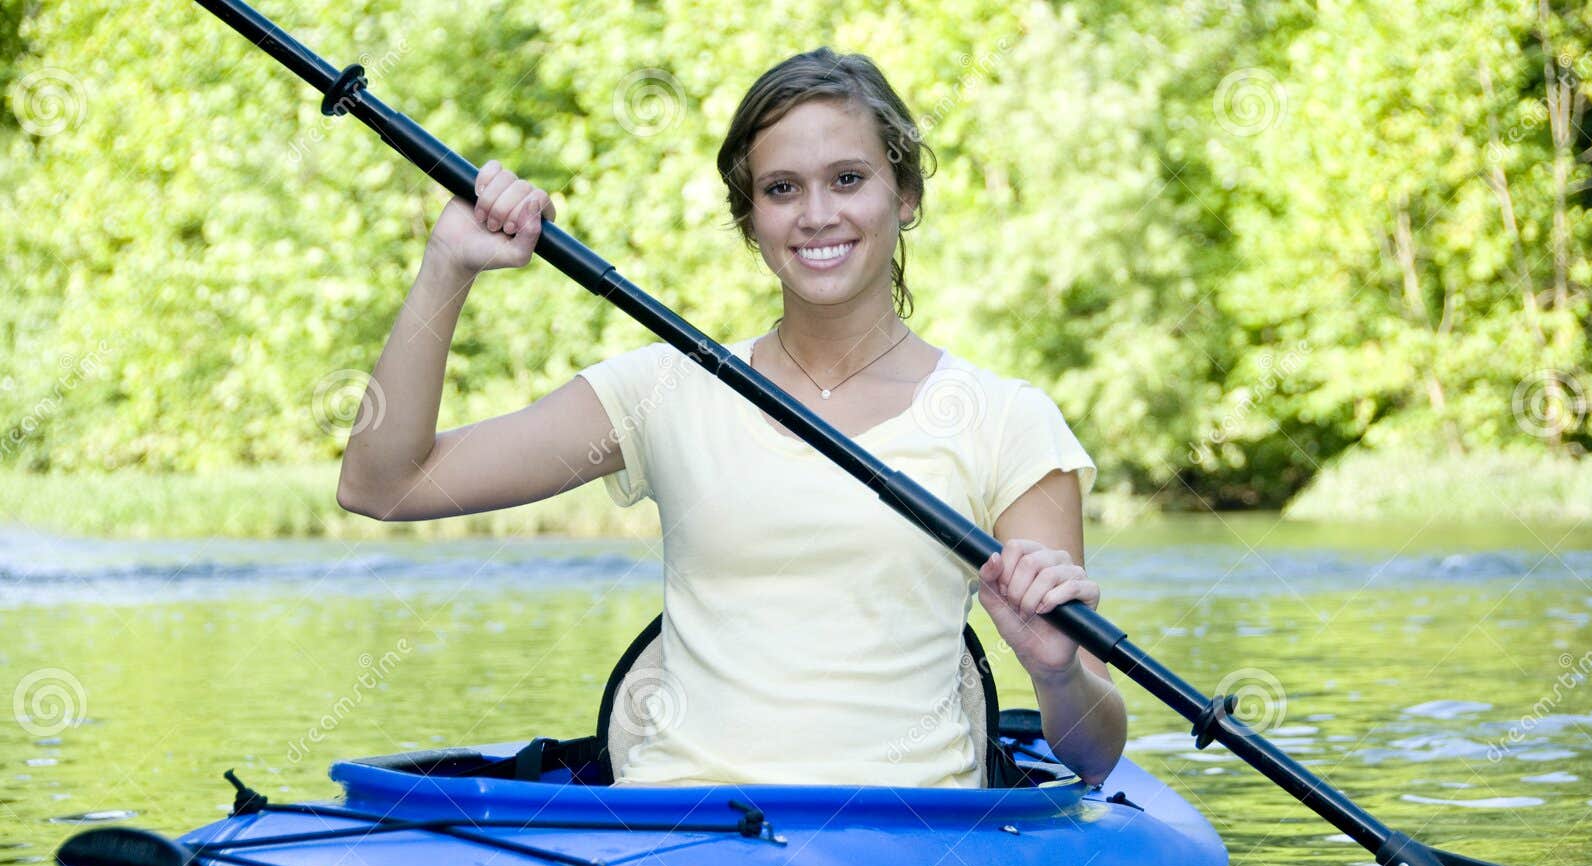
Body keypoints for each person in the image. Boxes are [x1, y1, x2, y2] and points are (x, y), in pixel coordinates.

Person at [337, 47, 1127, 788]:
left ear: (906, 194)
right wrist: (448, 264)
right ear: (751, 218)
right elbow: (385, 485)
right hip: (681, 839)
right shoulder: (664, 388)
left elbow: (1094, 755)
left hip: (905, 845)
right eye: (782, 188)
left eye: (848, 178)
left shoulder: (1008, 421)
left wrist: (1057, 672)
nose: (817, 215)